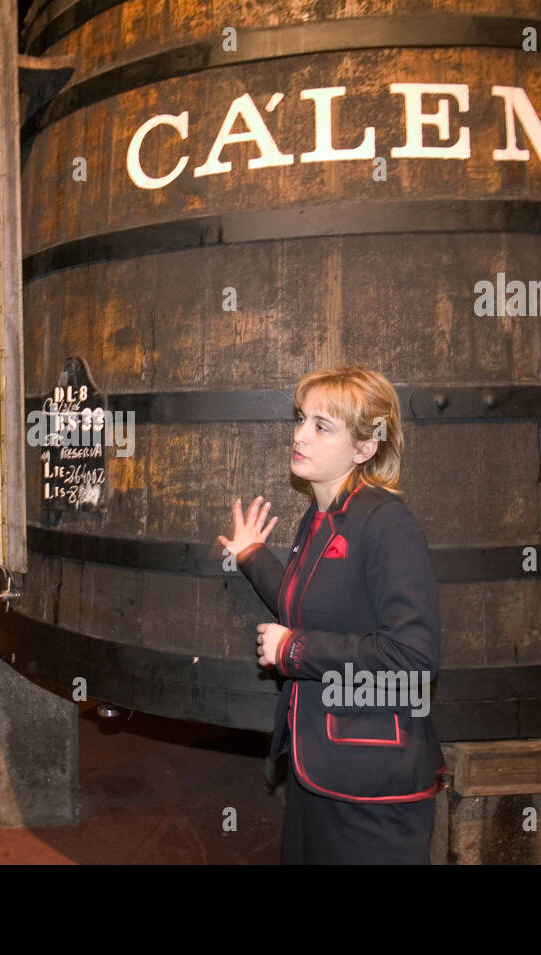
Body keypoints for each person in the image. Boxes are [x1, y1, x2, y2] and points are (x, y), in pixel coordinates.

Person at [217, 365, 447, 864]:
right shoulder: (322, 517)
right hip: (317, 760)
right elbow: (307, 604)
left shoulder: (387, 522)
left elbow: (413, 658)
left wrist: (292, 650)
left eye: (322, 426)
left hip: (370, 778)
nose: (300, 434)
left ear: (364, 449)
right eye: (302, 419)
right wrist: (254, 555)